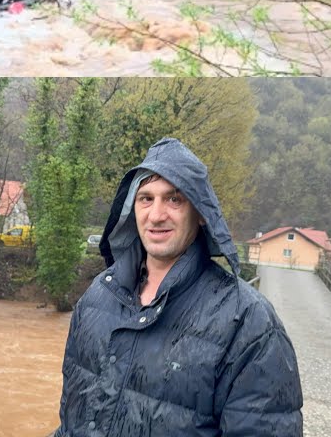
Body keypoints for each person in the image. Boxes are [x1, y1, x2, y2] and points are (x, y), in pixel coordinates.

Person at [56, 137, 303, 437]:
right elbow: (70, 422)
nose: (156, 215)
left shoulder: (249, 322)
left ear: (201, 213)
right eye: (146, 198)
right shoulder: (97, 296)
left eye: (174, 199)